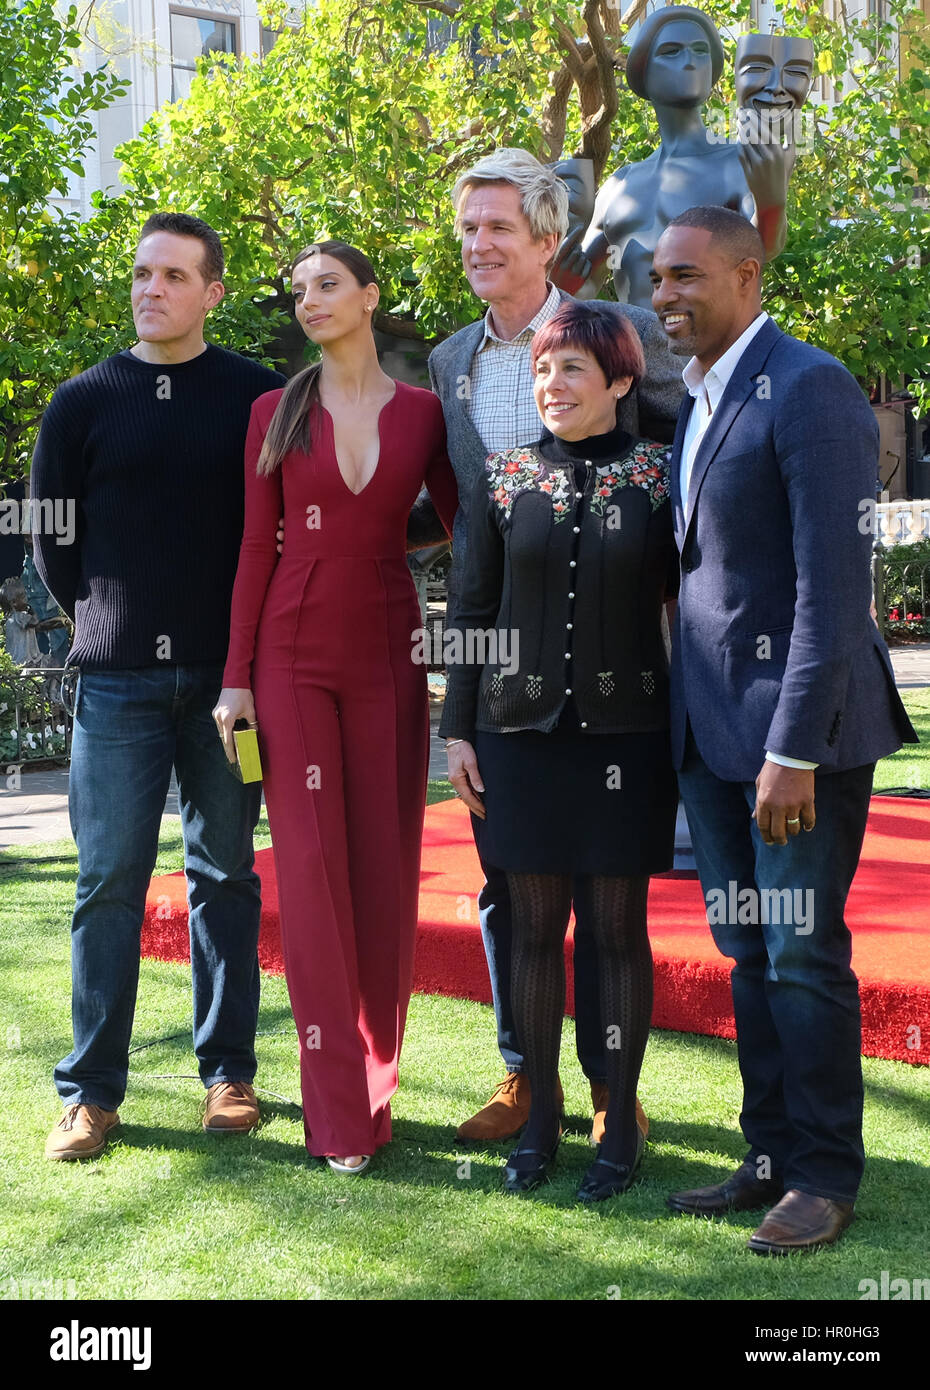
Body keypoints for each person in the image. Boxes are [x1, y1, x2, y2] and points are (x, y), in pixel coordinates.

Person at [650, 205, 917, 1252]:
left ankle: (821, 1174)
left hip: (794, 744)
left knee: (802, 953)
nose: (666, 291)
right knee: (748, 949)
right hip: (709, 740)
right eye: (657, 276)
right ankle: (765, 1153)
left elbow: (834, 587)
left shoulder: (813, 389)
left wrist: (793, 748)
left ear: (749, 277)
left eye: (685, 274)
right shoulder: (697, 396)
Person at [408, 146, 685, 1146]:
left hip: (619, 671)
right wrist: (462, 714)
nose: (477, 244)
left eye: (497, 227)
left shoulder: (630, 336)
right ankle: (528, 1082)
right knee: (508, 891)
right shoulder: (449, 360)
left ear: (545, 238)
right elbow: (467, 539)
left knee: (613, 912)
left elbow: (673, 491)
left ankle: (615, 1088)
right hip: (509, 678)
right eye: (467, 227)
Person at [32, 212, 285, 1160]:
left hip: (229, 687)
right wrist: (104, 622)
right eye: (144, 274)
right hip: (118, 683)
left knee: (226, 875)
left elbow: (281, 529)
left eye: (176, 276)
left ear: (213, 292)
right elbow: (51, 544)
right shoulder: (82, 401)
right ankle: (91, 1093)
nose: (153, 289)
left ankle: (228, 1074)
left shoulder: (260, 399)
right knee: (108, 883)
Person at [214, 241, 458, 1175]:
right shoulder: (272, 413)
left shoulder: (429, 414)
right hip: (290, 651)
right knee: (310, 877)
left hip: (392, 648)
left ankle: (378, 1089)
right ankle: (339, 1116)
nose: (309, 301)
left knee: (385, 870)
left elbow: (464, 523)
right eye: (299, 290)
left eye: (327, 285)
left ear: (369, 296)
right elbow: (250, 548)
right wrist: (236, 677)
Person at [439, 300, 678, 1199]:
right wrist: (457, 729)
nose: (552, 385)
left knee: (616, 935)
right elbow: (470, 612)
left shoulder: (662, 474)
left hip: (629, 738)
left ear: (620, 380)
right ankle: (538, 1124)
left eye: (572, 370)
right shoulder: (502, 479)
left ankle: (618, 1119)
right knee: (534, 933)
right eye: (542, 370)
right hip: (516, 740)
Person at [552, 7, 798, 308]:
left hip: (707, 351)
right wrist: (561, 283)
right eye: (671, 52)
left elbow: (762, 247)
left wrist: (772, 204)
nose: (690, 62)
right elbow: (586, 283)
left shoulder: (737, 162)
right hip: (632, 349)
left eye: (700, 51)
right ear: (644, 71)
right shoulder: (620, 185)